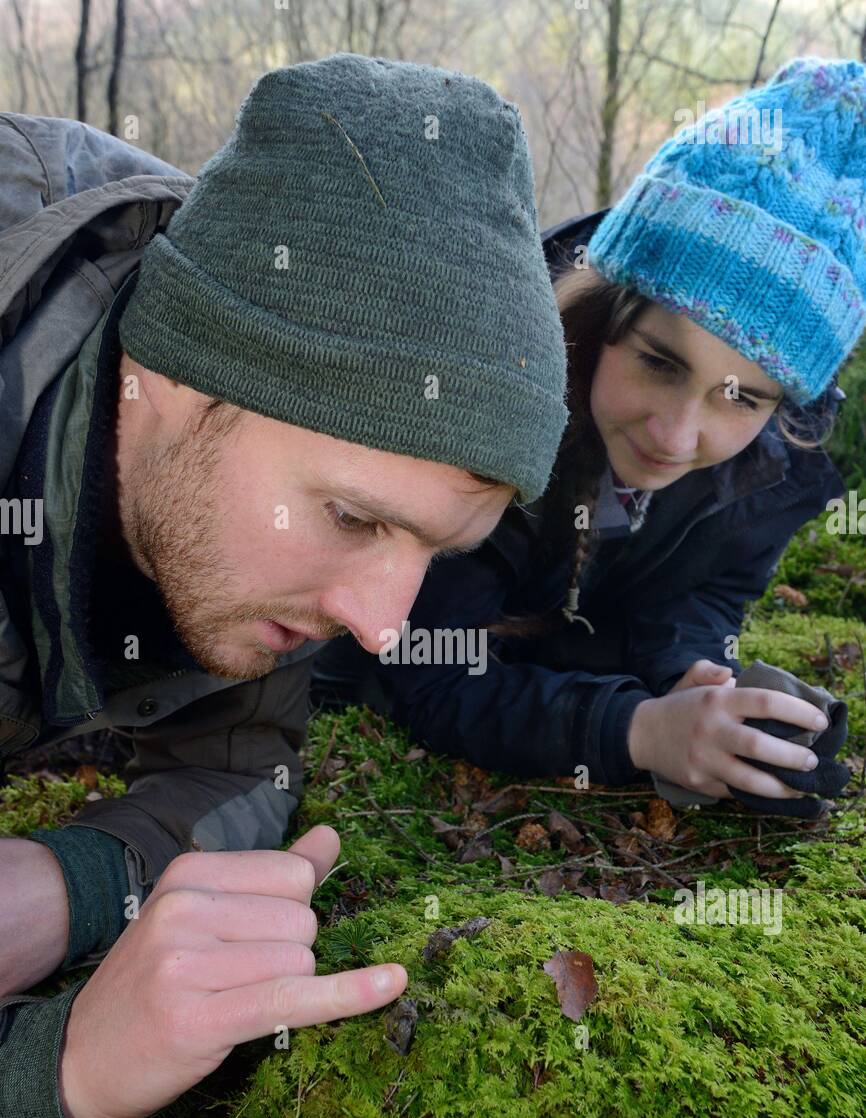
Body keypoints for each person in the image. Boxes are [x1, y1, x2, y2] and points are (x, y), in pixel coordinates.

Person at [0, 54, 569, 1118]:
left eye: (434, 553)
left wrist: (70, 880)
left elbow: (240, 762)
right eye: (352, 517)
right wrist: (44, 1078)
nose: (378, 624)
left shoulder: (221, 354)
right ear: (168, 375)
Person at [312, 55, 863, 815]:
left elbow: (704, 592)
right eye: (660, 363)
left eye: (743, 400)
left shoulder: (769, 471)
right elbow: (427, 669)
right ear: (602, 317)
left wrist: (693, 679)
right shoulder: (474, 402)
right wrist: (637, 732)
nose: (676, 434)